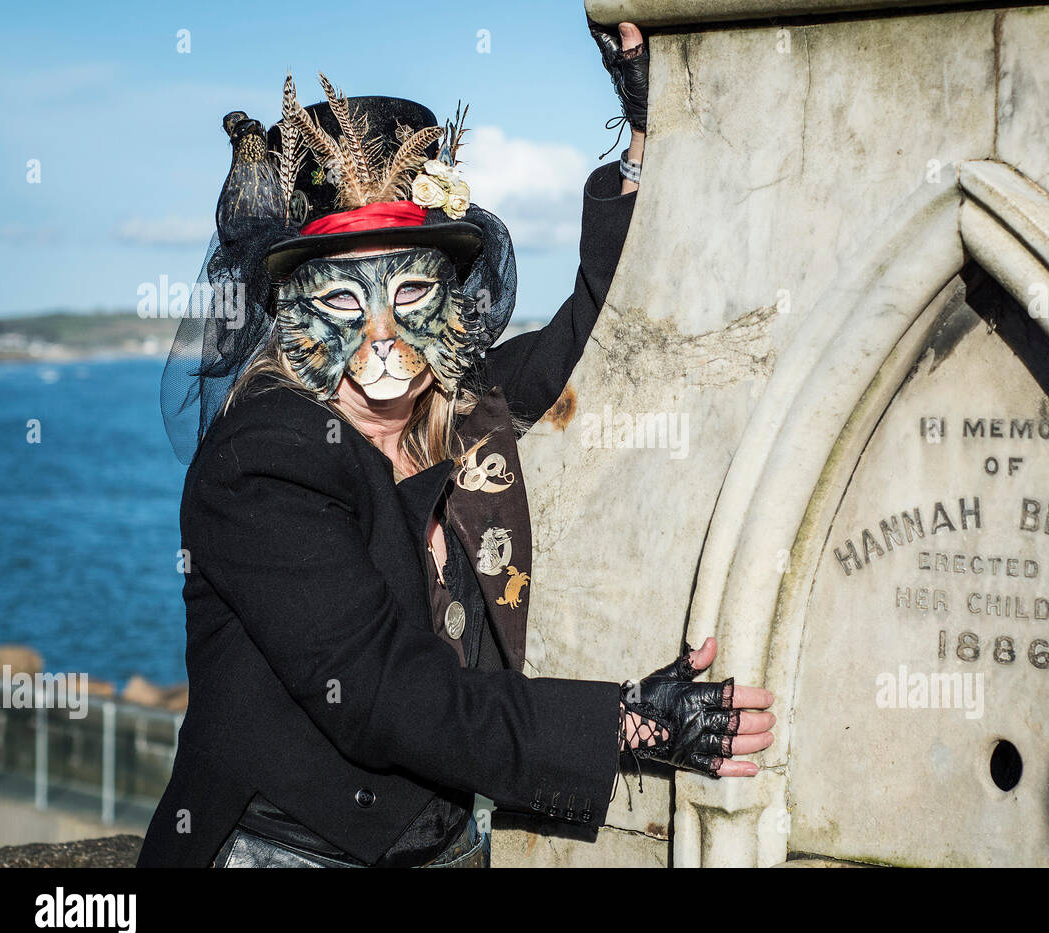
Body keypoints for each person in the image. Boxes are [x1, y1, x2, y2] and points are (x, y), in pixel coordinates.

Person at [141, 21, 775, 868]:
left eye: (409, 290)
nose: (382, 337)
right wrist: (631, 721)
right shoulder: (260, 461)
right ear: (289, 310)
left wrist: (643, 138)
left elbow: (600, 329)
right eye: (343, 301)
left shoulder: (466, 406)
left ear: (448, 299)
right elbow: (383, 691)